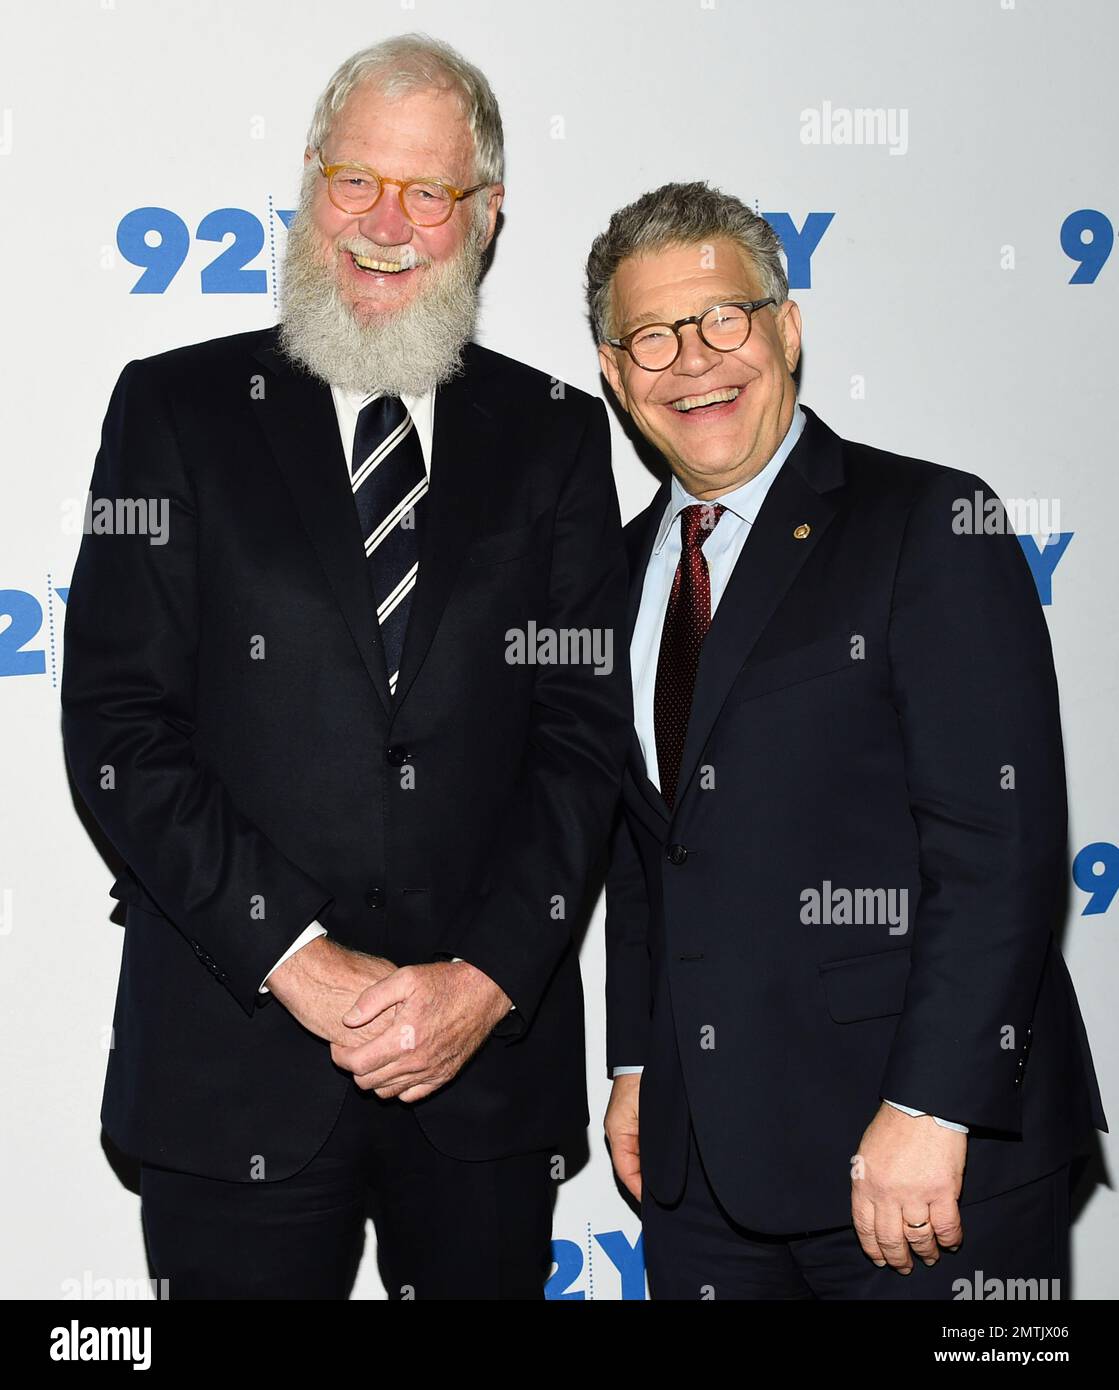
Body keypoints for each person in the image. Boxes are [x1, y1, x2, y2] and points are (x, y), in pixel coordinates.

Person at [61, 34, 629, 1300]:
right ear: (309, 184)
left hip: (480, 1075)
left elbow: (583, 740)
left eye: (427, 192)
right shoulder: (172, 414)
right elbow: (116, 726)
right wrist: (302, 964)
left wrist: (481, 984)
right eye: (353, 179)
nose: (384, 223)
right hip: (234, 1051)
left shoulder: (554, 439)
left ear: (484, 219)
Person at [589, 180, 1106, 1299]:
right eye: (653, 336)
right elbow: (647, 859)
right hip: (704, 1175)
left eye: (724, 318)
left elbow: (999, 848)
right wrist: (639, 1060)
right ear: (615, 373)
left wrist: (932, 1108)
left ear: (787, 327)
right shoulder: (614, 576)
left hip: (927, 1168)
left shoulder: (927, 523)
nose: (694, 359)